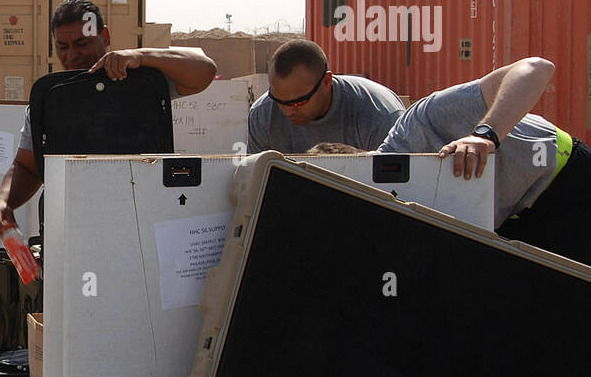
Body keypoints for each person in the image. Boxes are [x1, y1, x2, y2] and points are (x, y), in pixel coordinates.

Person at [0, 0, 217, 240]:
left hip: (142, 222)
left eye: (81, 43)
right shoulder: (50, 101)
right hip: (72, 229)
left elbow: (205, 70)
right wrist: (2, 202)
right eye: (63, 46)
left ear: (105, 37)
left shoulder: (140, 84)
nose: (72, 54)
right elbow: (28, 167)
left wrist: (139, 56)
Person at [377, 56, 591, 265]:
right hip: (513, 220)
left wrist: (485, 135)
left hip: (565, 178)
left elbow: (538, 67)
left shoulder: (424, 119)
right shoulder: (386, 206)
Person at [247, 39, 404, 153]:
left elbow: (397, 190)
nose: (288, 112)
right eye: (279, 101)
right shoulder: (263, 115)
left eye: (298, 102)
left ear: (327, 82)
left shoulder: (378, 115)